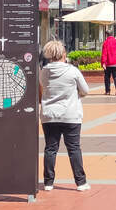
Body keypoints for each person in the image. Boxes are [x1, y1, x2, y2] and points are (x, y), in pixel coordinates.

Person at [39, 38, 91, 191]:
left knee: (50, 148)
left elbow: (42, 88)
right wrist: (76, 95)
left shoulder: (44, 72)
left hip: (49, 115)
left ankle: (48, 182)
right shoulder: (72, 71)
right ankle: (81, 182)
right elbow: (85, 90)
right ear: (63, 54)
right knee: (74, 148)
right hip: (70, 114)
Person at [100, 28, 116, 96]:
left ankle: (107, 91)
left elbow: (104, 54)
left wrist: (103, 63)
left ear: (106, 35)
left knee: (107, 77)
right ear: (112, 34)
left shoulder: (105, 43)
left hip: (108, 63)